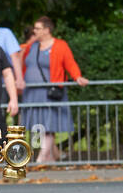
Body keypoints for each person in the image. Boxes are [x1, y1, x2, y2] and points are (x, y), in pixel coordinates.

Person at [19, 16, 88, 164]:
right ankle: (49, 156)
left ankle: (42, 157)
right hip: (32, 93)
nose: (34, 31)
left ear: (46, 30)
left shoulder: (60, 45)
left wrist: (77, 77)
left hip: (49, 92)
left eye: (37, 28)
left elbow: (70, 63)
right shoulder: (32, 46)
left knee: (48, 125)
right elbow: (21, 62)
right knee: (37, 126)